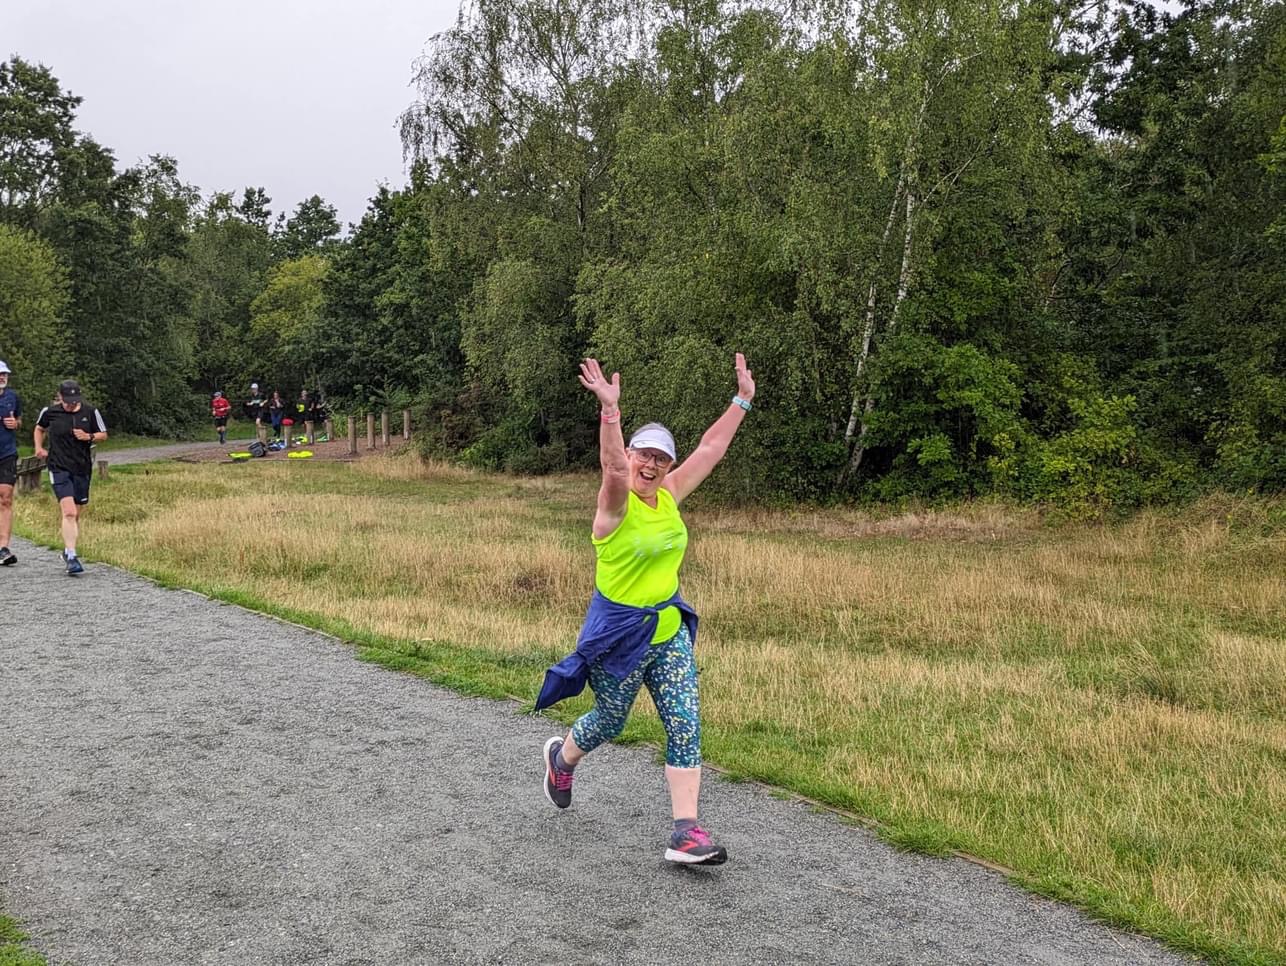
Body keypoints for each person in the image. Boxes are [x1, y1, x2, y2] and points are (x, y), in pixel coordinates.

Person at [535, 353, 756, 866]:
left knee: (685, 724)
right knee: (610, 722)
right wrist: (609, 412)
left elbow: (712, 447)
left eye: (662, 458)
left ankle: (686, 833)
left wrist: (742, 399)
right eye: (645, 455)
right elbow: (611, 466)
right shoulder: (614, 507)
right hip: (618, 635)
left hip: (668, 628)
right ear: (632, 455)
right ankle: (561, 759)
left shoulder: (672, 495)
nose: (652, 464)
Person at [33, 379, 107, 576]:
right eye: (67, 401)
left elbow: (103, 434)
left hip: (82, 468)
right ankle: (73, 557)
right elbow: (39, 428)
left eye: (74, 401)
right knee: (69, 512)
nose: (71, 404)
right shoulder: (50, 412)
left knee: (77, 512)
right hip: (58, 467)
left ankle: (67, 549)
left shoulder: (91, 412)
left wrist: (88, 436)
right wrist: (39, 448)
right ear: (60, 397)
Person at [0, 361, 22, 567]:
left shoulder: (12, 397)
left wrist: (15, 424)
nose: (2, 377)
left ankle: (3, 548)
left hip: (7, 453)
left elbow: (20, 420)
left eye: (4, 374)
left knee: (6, 499)